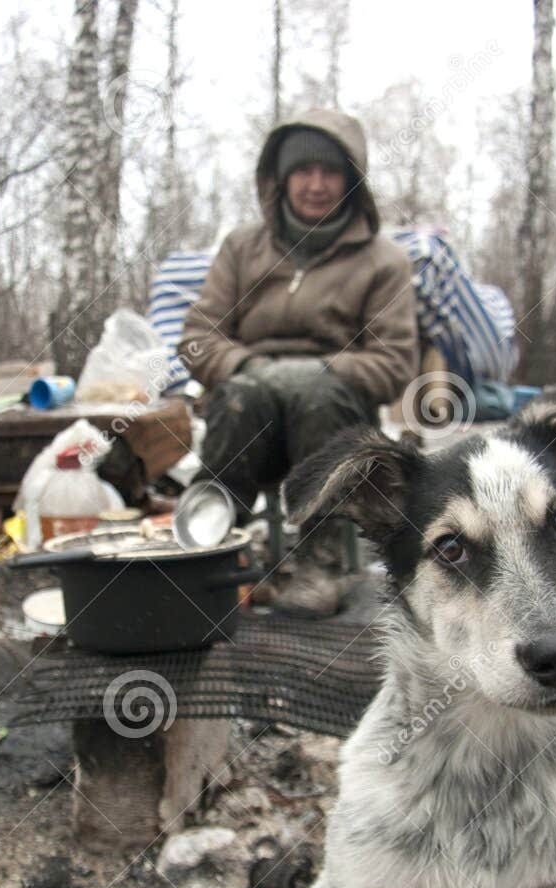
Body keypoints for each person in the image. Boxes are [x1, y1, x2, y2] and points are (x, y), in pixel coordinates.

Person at [180, 109, 418, 617]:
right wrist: (249, 367)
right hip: (252, 415)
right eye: (303, 170)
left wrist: (321, 371)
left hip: (335, 424)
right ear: (281, 177)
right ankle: (206, 545)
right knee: (241, 397)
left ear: (351, 181)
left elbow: (394, 362)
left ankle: (320, 564)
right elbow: (199, 338)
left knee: (316, 394)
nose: (316, 184)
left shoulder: (384, 261)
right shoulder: (242, 248)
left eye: (330, 171)